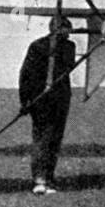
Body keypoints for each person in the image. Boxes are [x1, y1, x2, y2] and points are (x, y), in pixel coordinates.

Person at [18, 17, 75, 194]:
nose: (69, 33)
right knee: (42, 138)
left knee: (54, 139)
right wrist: (25, 101)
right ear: (56, 28)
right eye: (66, 29)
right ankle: (39, 179)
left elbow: (68, 64)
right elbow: (26, 74)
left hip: (60, 98)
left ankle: (49, 178)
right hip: (41, 99)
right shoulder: (38, 46)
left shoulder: (68, 47)